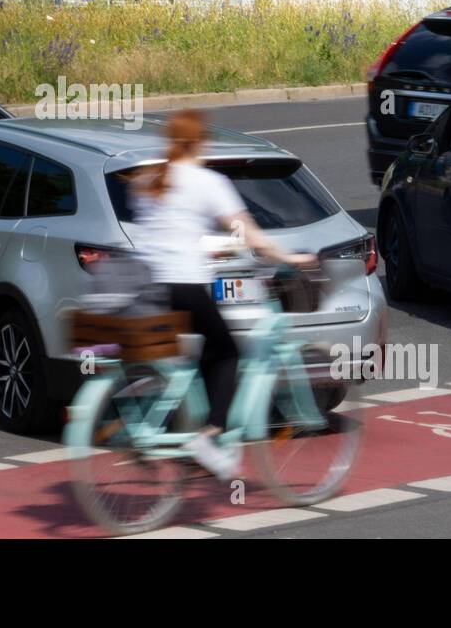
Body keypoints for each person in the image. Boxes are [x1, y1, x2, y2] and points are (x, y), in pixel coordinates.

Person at [129, 109, 318, 481]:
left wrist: (205, 248)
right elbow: (253, 238)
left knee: (201, 352)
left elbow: (162, 231)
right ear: (200, 142)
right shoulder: (207, 181)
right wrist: (292, 258)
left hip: (145, 285)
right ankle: (209, 435)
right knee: (228, 352)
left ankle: (177, 426)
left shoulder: (148, 178)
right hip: (182, 283)